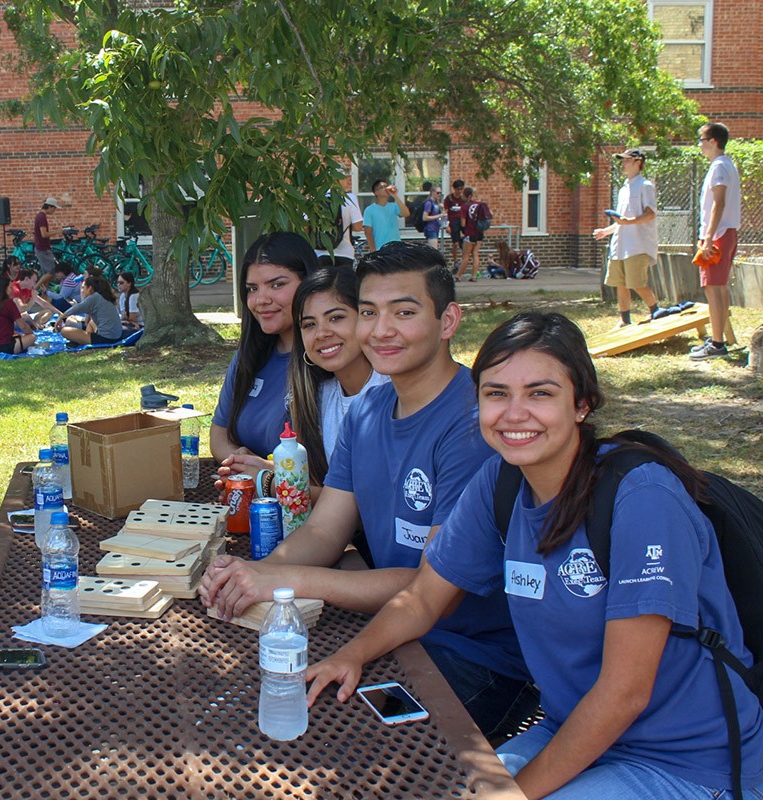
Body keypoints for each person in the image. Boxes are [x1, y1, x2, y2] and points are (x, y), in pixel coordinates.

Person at [307, 312, 763, 799]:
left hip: (685, 761)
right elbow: (421, 599)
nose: (514, 413)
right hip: (572, 728)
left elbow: (623, 693)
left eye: (540, 393)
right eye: (496, 393)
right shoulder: (501, 482)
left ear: (582, 404)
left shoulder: (641, 497)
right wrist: (351, 656)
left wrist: (515, 794)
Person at [203, 242, 535, 739]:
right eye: (369, 313)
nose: (382, 330)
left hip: (475, 654)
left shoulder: (474, 424)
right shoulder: (366, 412)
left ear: (448, 321)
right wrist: (252, 572)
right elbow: (324, 529)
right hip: (392, 628)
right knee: (253, 705)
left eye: (404, 312)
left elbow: (429, 590)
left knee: (337, 739)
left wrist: (285, 583)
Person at [218, 267, 389, 499]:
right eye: (309, 324)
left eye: (336, 318)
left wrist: (269, 482)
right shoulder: (324, 393)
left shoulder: (390, 393)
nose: (321, 333)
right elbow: (330, 483)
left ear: (366, 317)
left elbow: (365, 506)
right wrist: (261, 469)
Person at [210, 232, 314, 463]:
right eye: (252, 289)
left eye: (277, 285)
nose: (261, 300)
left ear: (309, 282)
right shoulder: (249, 357)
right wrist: (238, 461)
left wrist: (264, 475)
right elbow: (219, 433)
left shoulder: (327, 359)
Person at [691, 122, 741, 360]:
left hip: (719, 234)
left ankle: (718, 344)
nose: (699, 144)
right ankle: (718, 338)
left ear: (713, 141)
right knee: (718, 288)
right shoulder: (726, 165)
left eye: (701, 139)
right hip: (726, 232)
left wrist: (709, 237)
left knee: (713, 289)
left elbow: (718, 203)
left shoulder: (719, 167)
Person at [593, 149, 659, 327]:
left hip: (637, 245)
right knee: (620, 283)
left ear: (638, 162)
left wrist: (630, 221)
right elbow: (621, 220)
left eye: (627, 160)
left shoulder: (645, 185)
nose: (623, 164)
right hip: (620, 245)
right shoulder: (623, 188)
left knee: (637, 283)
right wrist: (606, 231)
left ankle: (656, 312)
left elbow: (650, 213)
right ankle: (624, 320)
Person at [0, 272, 38, 355]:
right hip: (3, 346)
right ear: (4, 289)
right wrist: (30, 334)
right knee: (32, 338)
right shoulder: (9, 303)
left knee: (19, 336)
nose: (12, 290)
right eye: (10, 288)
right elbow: (24, 327)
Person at [54, 274, 123, 346]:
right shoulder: (103, 296)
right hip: (115, 336)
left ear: (90, 288)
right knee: (91, 323)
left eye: (83, 288)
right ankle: (85, 340)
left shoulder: (94, 297)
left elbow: (77, 307)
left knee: (64, 331)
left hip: (107, 339)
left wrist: (61, 317)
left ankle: (84, 341)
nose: (82, 291)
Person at [314, 192, 364, 268]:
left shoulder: (314, 197)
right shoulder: (349, 197)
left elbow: (306, 228)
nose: (348, 181)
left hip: (320, 252)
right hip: (345, 253)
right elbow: (358, 227)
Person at [361, 178, 410, 252]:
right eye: (382, 187)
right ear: (376, 192)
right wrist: (373, 249)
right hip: (380, 248)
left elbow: (406, 213)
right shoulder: (369, 210)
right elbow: (368, 231)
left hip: (396, 247)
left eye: (386, 186)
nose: (386, 188)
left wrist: (395, 196)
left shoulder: (394, 206)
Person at [458, 186, 491, 282]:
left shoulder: (464, 207)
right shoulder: (479, 204)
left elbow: (463, 224)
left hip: (470, 233)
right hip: (479, 233)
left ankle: (458, 275)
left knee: (466, 256)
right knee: (475, 254)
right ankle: (474, 276)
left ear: (465, 196)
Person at [445, 179, 468, 271]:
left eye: (461, 189)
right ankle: (455, 261)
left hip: (462, 222)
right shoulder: (449, 198)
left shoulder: (463, 199)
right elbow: (446, 212)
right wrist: (447, 225)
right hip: (453, 222)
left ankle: (464, 261)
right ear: (454, 189)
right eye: (458, 189)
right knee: (455, 243)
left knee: (465, 242)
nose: (459, 191)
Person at [33, 197, 59, 274]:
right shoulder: (41, 217)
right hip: (43, 249)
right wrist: (57, 231)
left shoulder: (40, 216)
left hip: (42, 248)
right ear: (50, 207)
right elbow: (44, 234)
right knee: (50, 272)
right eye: (54, 208)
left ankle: (44, 286)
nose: (54, 211)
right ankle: (40, 285)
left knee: (47, 271)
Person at [421, 183, 448, 250]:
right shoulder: (429, 203)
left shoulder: (436, 203)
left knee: (434, 249)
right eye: (438, 193)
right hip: (430, 229)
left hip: (436, 228)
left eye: (440, 193)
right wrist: (439, 215)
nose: (439, 195)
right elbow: (425, 217)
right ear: (432, 192)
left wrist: (442, 209)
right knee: (433, 250)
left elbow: (443, 215)